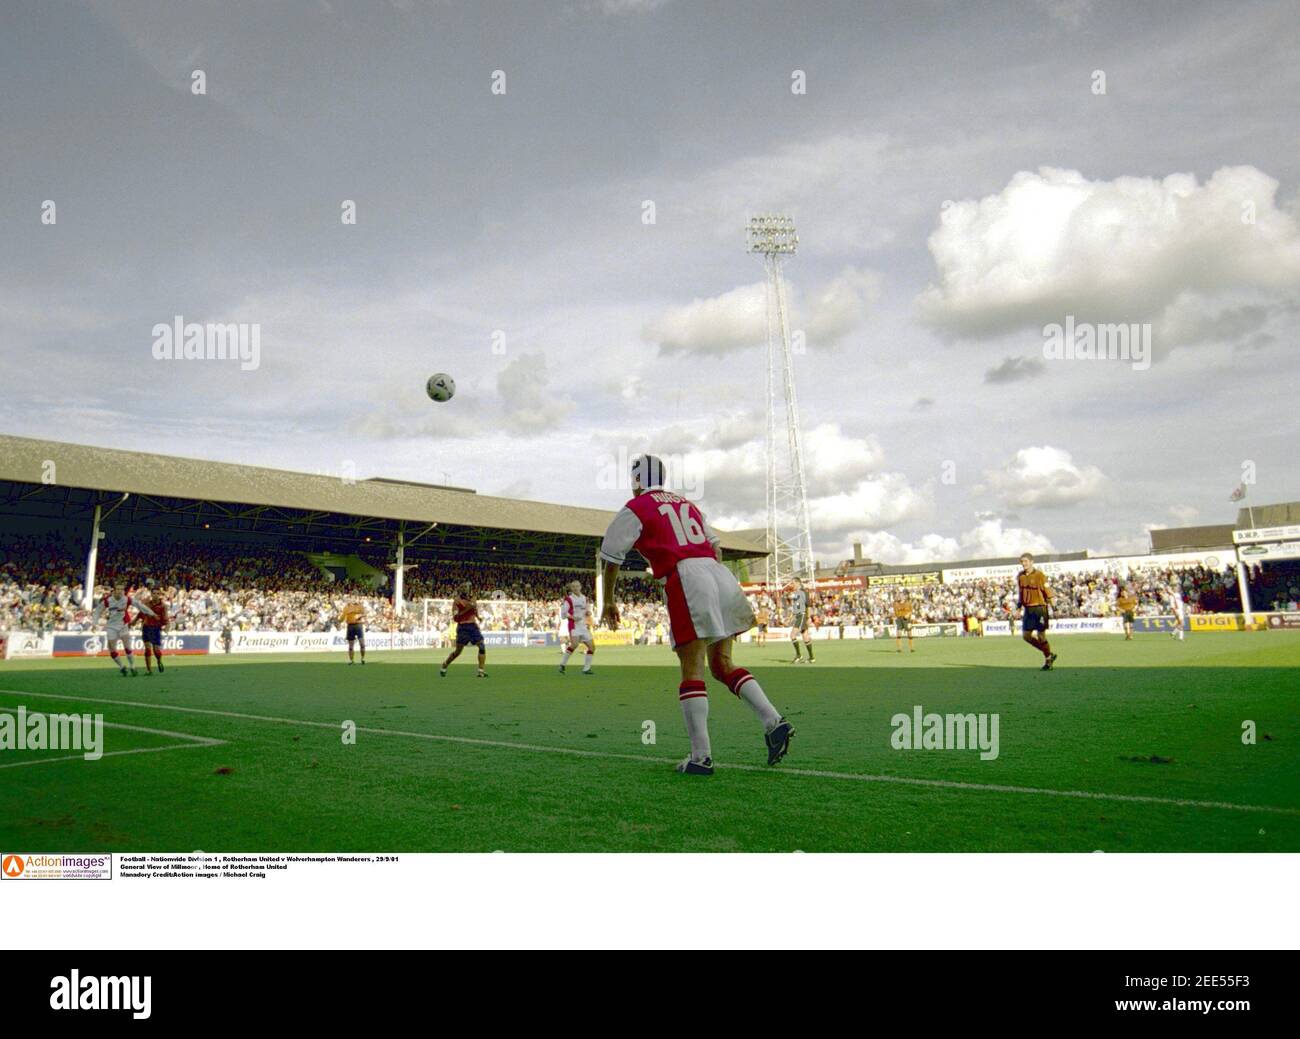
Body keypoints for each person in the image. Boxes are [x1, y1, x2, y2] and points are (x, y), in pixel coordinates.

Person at [599, 453, 793, 775]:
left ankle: (701, 757)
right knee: (722, 664)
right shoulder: (687, 505)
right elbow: (716, 548)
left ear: (635, 481)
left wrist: (608, 601)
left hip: (687, 578)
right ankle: (774, 722)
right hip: (718, 575)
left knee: (693, 667)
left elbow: (611, 557)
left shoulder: (636, 508)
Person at [97, 583, 155, 677]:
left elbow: (139, 605)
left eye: (122, 589)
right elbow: (100, 609)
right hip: (113, 626)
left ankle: (131, 666)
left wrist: (151, 613)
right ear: (114, 591)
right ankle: (123, 667)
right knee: (113, 648)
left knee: (126, 647)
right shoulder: (108, 600)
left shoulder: (126, 599)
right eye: (118, 589)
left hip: (123, 624)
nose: (120, 591)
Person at [1016, 554, 1057, 670]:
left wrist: (1055, 608)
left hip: (1040, 608)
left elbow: (1048, 592)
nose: (1024, 564)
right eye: (1022, 561)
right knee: (1026, 636)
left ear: (1032, 562)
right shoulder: (1020, 576)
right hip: (1028, 609)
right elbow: (1021, 593)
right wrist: (1019, 608)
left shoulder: (1040, 575)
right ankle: (1049, 654)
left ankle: (1048, 661)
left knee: (1041, 635)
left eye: (1026, 561)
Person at [440, 583, 487, 677]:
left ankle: (480, 671)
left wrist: (478, 617)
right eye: (464, 588)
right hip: (463, 628)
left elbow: (474, 609)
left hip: (473, 626)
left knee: (481, 646)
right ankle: (445, 664)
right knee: (458, 652)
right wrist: (466, 609)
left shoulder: (473, 598)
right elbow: (455, 618)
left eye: (468, 587)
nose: (466, 589)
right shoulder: (457, 601)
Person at [558, 580, 595, 674]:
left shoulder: (584, 598)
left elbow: (587, 609)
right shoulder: (568, 599)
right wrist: (572, 617)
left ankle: (586, 669)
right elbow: (563, 613)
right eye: (573, 586)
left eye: (577, 586)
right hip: (574, 625)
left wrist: (588, 612)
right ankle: (562, 664)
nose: (575, 588)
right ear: (571, 588)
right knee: (574, 645)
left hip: (583, 626)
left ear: (580, 587)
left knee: (592, 647)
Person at [138, 588, 168, 674]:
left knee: (156, 651)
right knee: (147, 649)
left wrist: (166, 626)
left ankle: (159, 660)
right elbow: (141, 613)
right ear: (151, 594)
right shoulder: (147, 604)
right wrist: (134, 621)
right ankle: (149, 670)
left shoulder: (163, 606)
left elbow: (165, 618)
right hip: (146, 627)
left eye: (157, 593)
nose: (155, 595)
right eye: (154, 593)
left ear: (159, 595)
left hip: (156, 628)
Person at [787, 577, 815, 663]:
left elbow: (808, 605)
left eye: (792, 583)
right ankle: (811, 658)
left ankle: (799, 655)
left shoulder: (803, 592)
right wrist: (791, 616)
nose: (791, 585)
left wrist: (809, 617)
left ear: (797, 583)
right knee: (805, 636)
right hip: (799, 615)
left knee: (792, 635)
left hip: (802, 615)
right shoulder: (797, 593)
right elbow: (796, 605)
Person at [340, 599, 366, 664]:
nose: (352, 599)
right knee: (351, 646)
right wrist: (339, 621)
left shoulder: (359, 606)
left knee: (362, 644)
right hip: (350, 626)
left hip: (358, 625)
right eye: (351, 598)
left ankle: (362, 658)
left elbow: (365, 614)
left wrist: (359, 615)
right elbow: (342, 617)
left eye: (354, 597)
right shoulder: (346, 607)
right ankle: (351, 660)